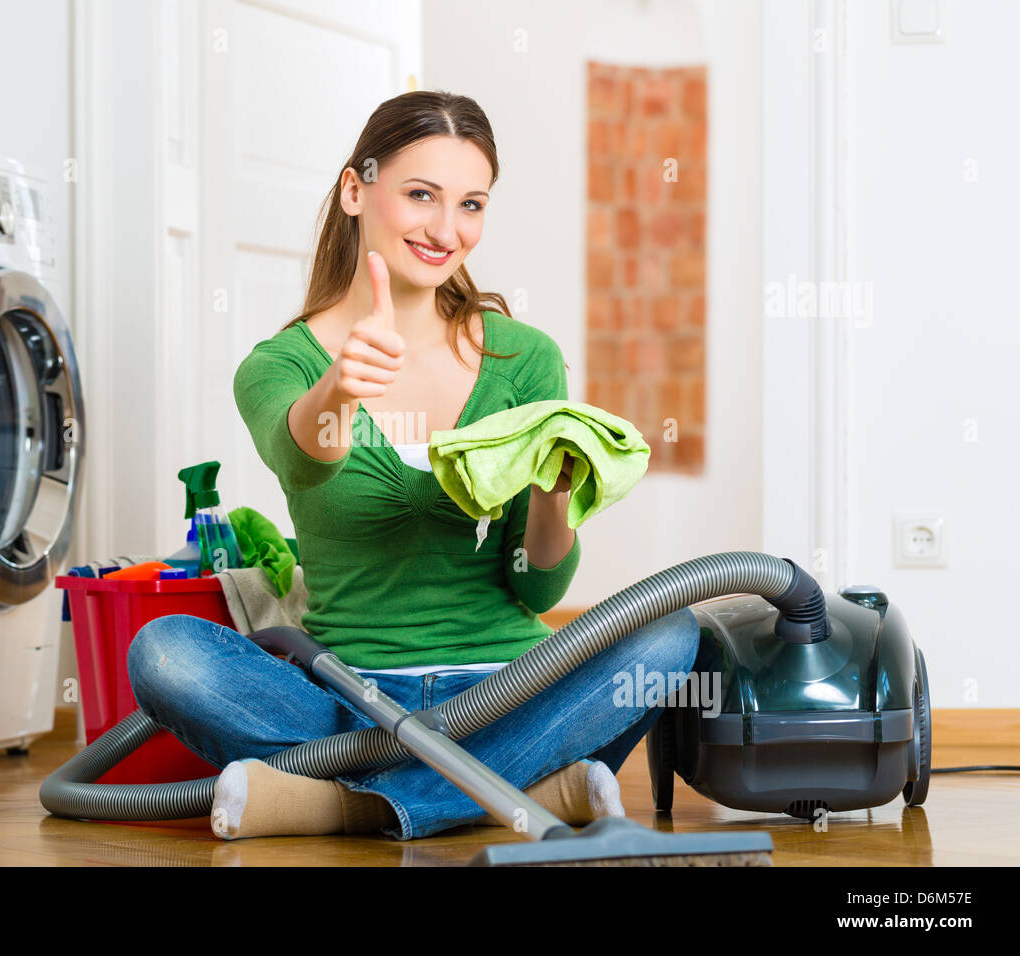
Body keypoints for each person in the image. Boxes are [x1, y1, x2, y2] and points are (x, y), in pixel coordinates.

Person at [128, 90, 700, 841]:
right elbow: (304, 465)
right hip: (349, 699)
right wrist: (342, 383)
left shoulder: (524, 359)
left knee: (670, 634)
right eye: (420, 195)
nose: (445, 230)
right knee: (165, 653)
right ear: (355, 189)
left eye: (471, 204)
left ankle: (356, 803)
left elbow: (537, 583)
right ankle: (530, 788)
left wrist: (555, 499)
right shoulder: (280, 366)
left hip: (512, 687)